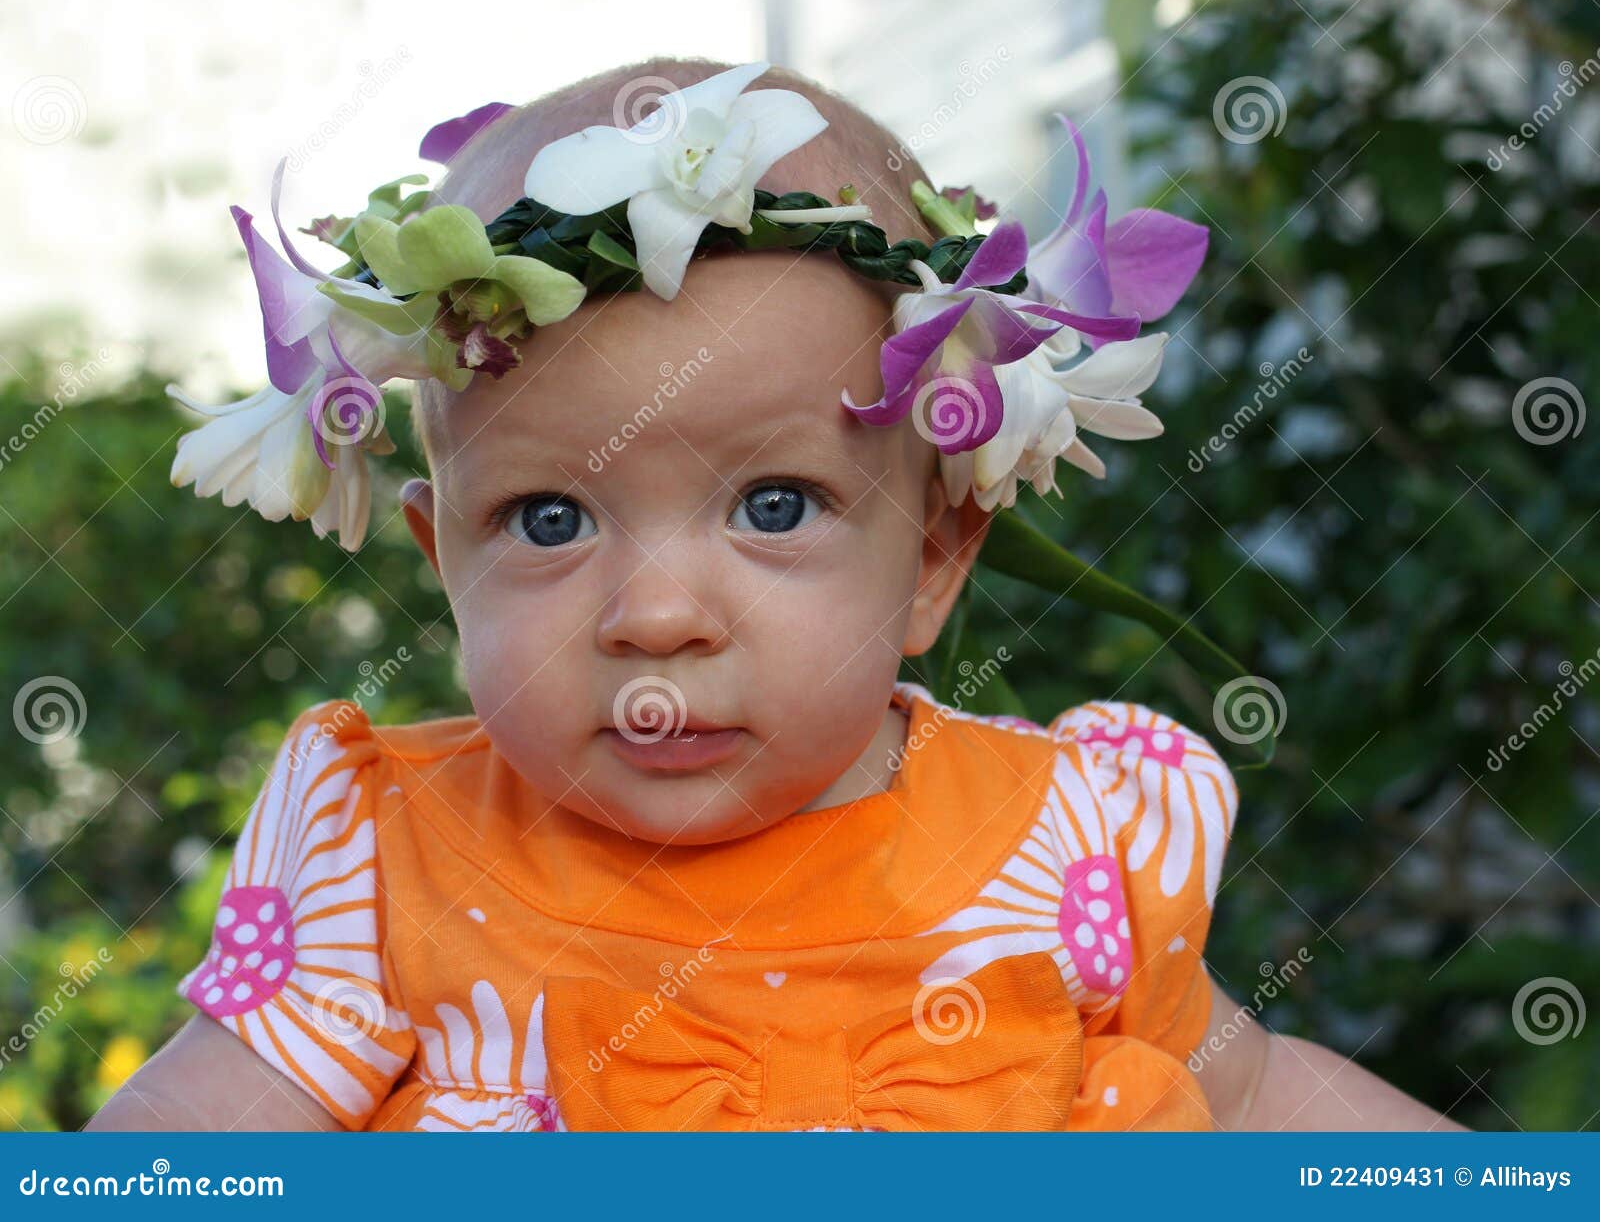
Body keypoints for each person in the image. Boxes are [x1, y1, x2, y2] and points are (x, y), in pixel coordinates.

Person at [88, 57, 1464, 1132]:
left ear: (933, 556)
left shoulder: (1067, 846)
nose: (659, 616)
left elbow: (1258, 1097)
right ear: (442, 562)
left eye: (775, 506)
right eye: (549, 518)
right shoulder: (387, 871)